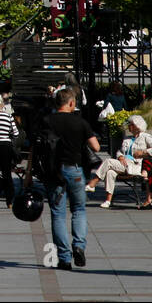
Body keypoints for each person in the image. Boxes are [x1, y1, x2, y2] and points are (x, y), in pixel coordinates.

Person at [46, 87, 101, 271]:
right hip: (75, 170)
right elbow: (96, 147)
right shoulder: (80, 122)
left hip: (53, 172)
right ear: (70, 103)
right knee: (79, 209)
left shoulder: (46, 121)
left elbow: (35, 149)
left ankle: (63, 258)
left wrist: (29, 175)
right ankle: (78, 246)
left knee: (58, 214)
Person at [85, 115, 152, 208]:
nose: (129, 126)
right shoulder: (127, 138)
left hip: (135, 165)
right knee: (110, 172)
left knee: (108, 162)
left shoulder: (145, 137)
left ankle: (93, 182)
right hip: (123, 164)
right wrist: (120, 156)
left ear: (137, 126)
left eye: (131, 124)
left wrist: (143, 152)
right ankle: (108, 200)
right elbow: (119, 151)